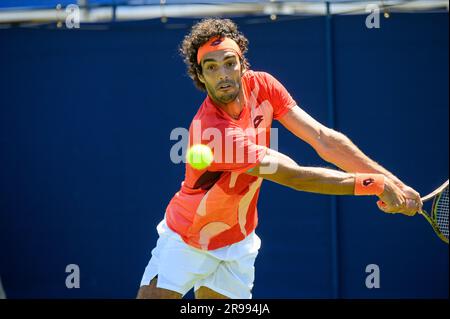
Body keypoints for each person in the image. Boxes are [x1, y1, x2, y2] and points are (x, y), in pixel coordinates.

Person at [137, 18, 422, 299]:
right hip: (187, 240)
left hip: (239, 241)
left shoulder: (263, 85)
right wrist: (374, 184)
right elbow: (294, 176)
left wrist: (394, 183)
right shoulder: (214, 133)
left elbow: (323, 139)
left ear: (242, 64)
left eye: (229, 63)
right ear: (200, 75)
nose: (223, 74)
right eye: (211, 68)